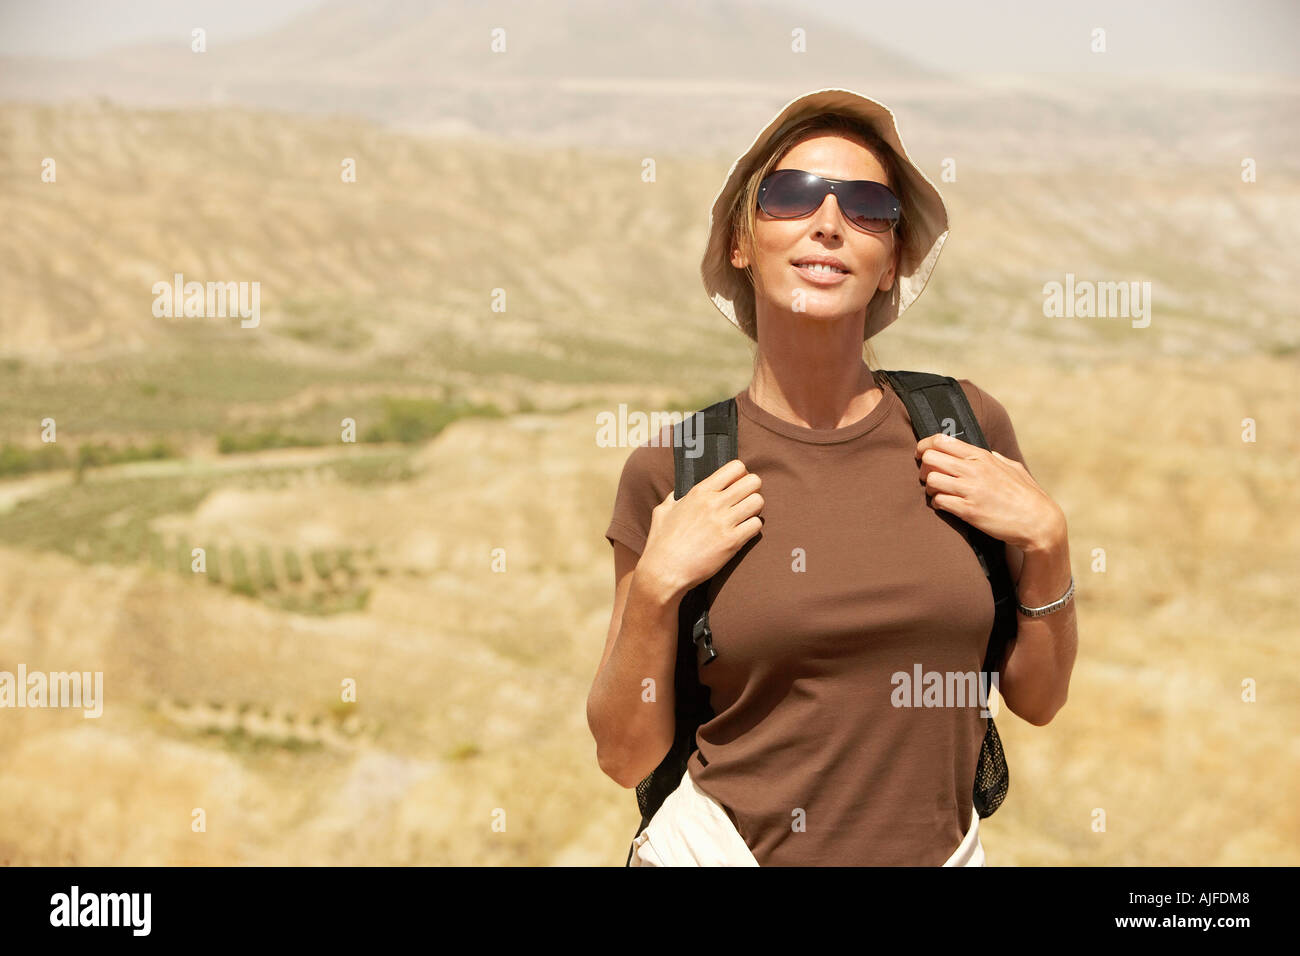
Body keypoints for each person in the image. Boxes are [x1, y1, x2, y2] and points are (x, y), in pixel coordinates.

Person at [588, 88, 1077, 866]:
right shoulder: (678, 466)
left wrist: (1048, 542)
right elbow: (623, 756)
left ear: (892, 263)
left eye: (867, 206)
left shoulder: (961, 428)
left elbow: (1039, 701)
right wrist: (654, 589)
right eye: (790, 196)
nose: (828, 223)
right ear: (741, 242)